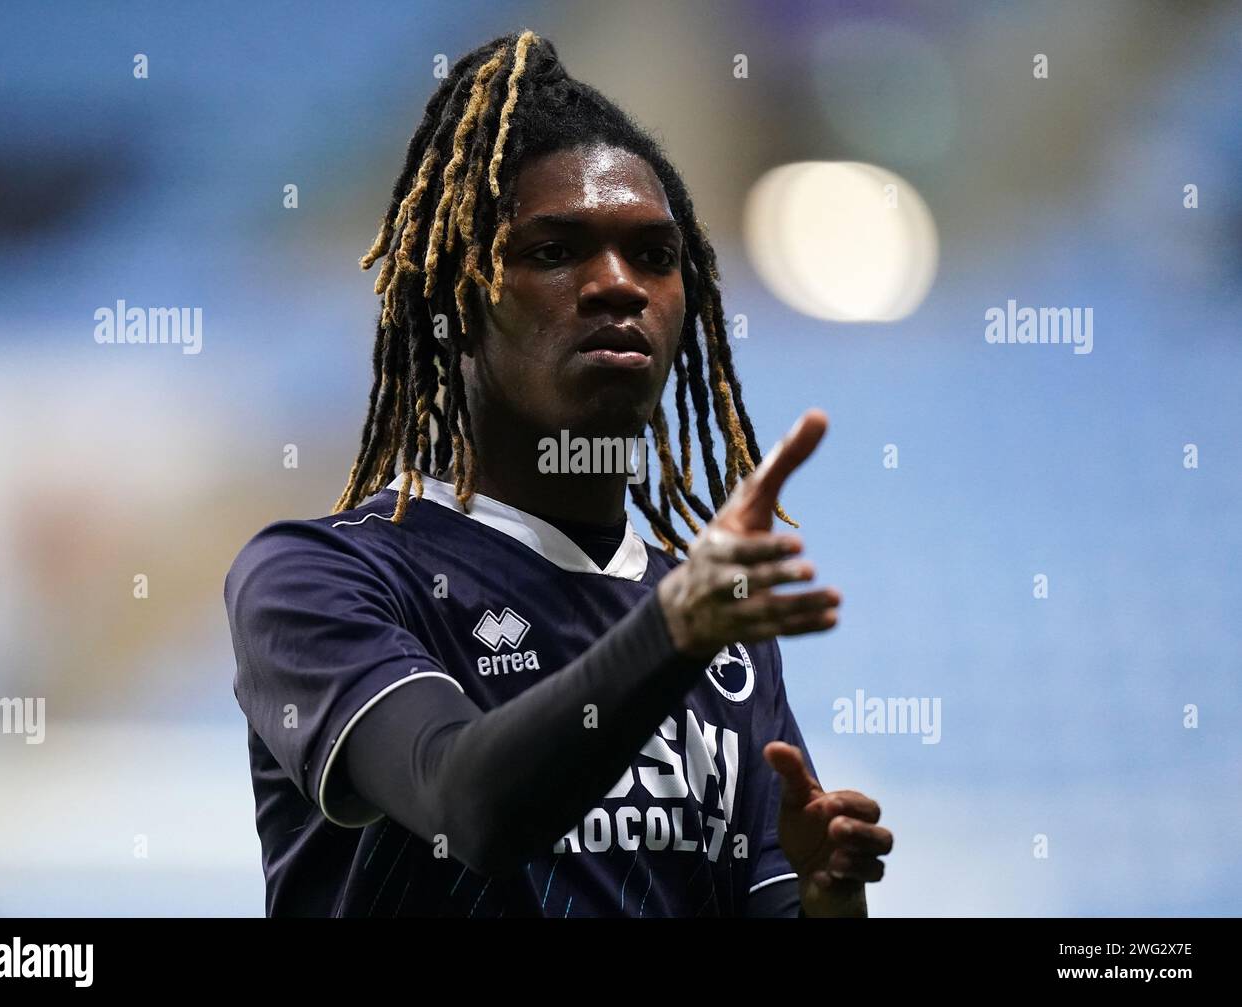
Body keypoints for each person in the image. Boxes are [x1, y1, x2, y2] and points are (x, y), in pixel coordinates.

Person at [224, 28, 892, 917]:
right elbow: (468, 806)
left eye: (655, 256)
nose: (618, 284)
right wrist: (673, 630)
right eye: (554, 250)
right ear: (452, 306)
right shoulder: (320, 580)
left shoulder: (721, 632)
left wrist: (828, 897)